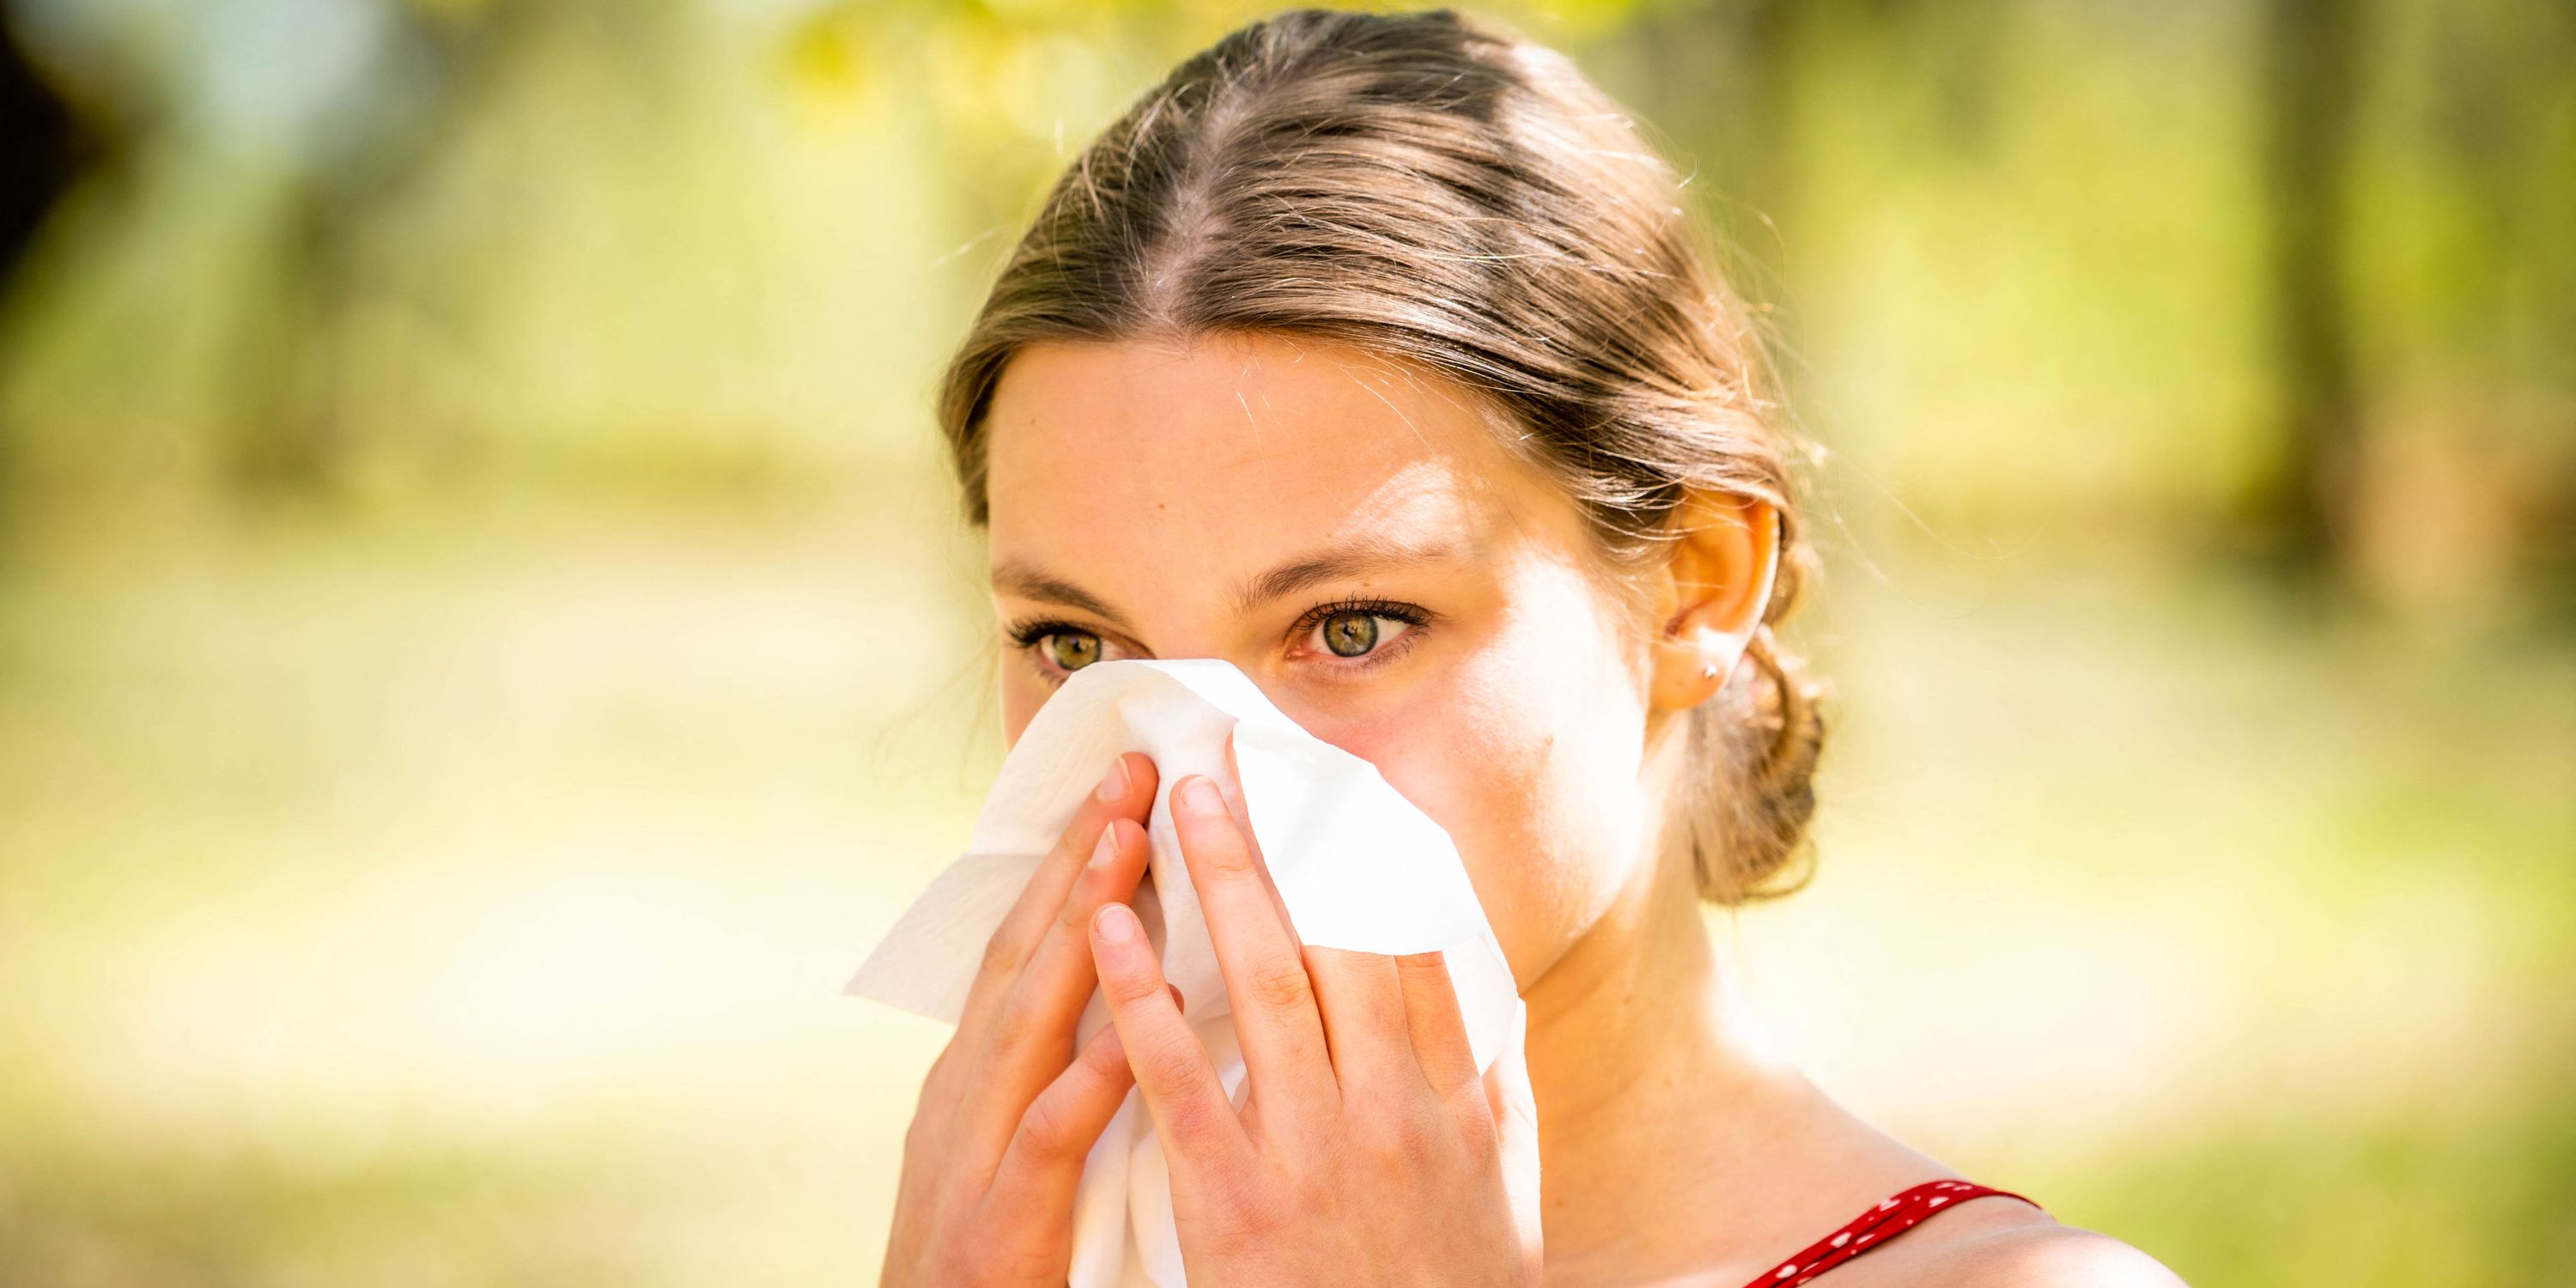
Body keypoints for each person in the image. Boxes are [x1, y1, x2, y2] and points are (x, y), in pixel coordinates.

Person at [879, 7, 2188, 1285]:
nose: (1193, 792)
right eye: (1080, 647)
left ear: (1695, 590)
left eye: (1351, 629)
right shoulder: (1039, 1249)